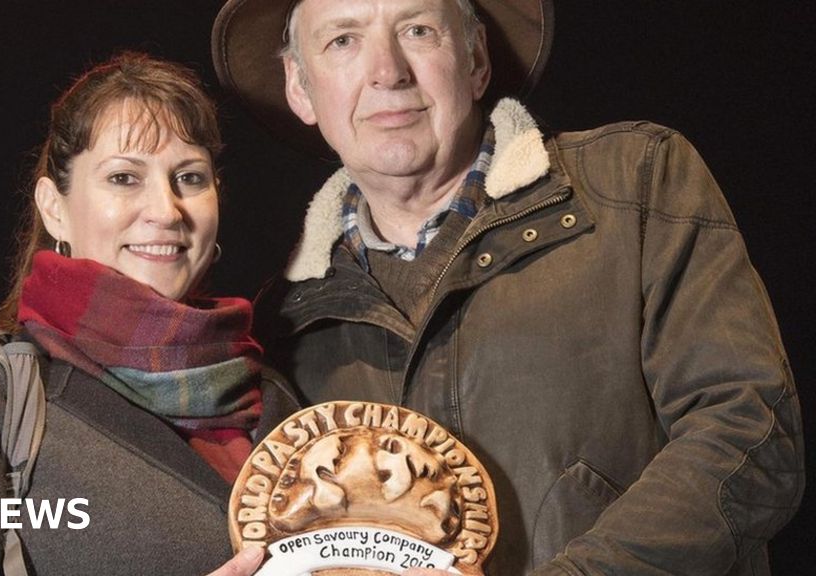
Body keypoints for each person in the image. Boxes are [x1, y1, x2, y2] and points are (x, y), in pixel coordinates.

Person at [212, 0, 804, 575]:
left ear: (475, 61)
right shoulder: (280, 324)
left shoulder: (636, 183)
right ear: (300, 86)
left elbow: (749, 436)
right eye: (343, 40)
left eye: (418, 30)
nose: (387, 72)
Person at [0, 51, 286, 576]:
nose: (166, 209)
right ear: (54, 208)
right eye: (123, 178)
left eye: (189, 177)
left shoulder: (278, 398)